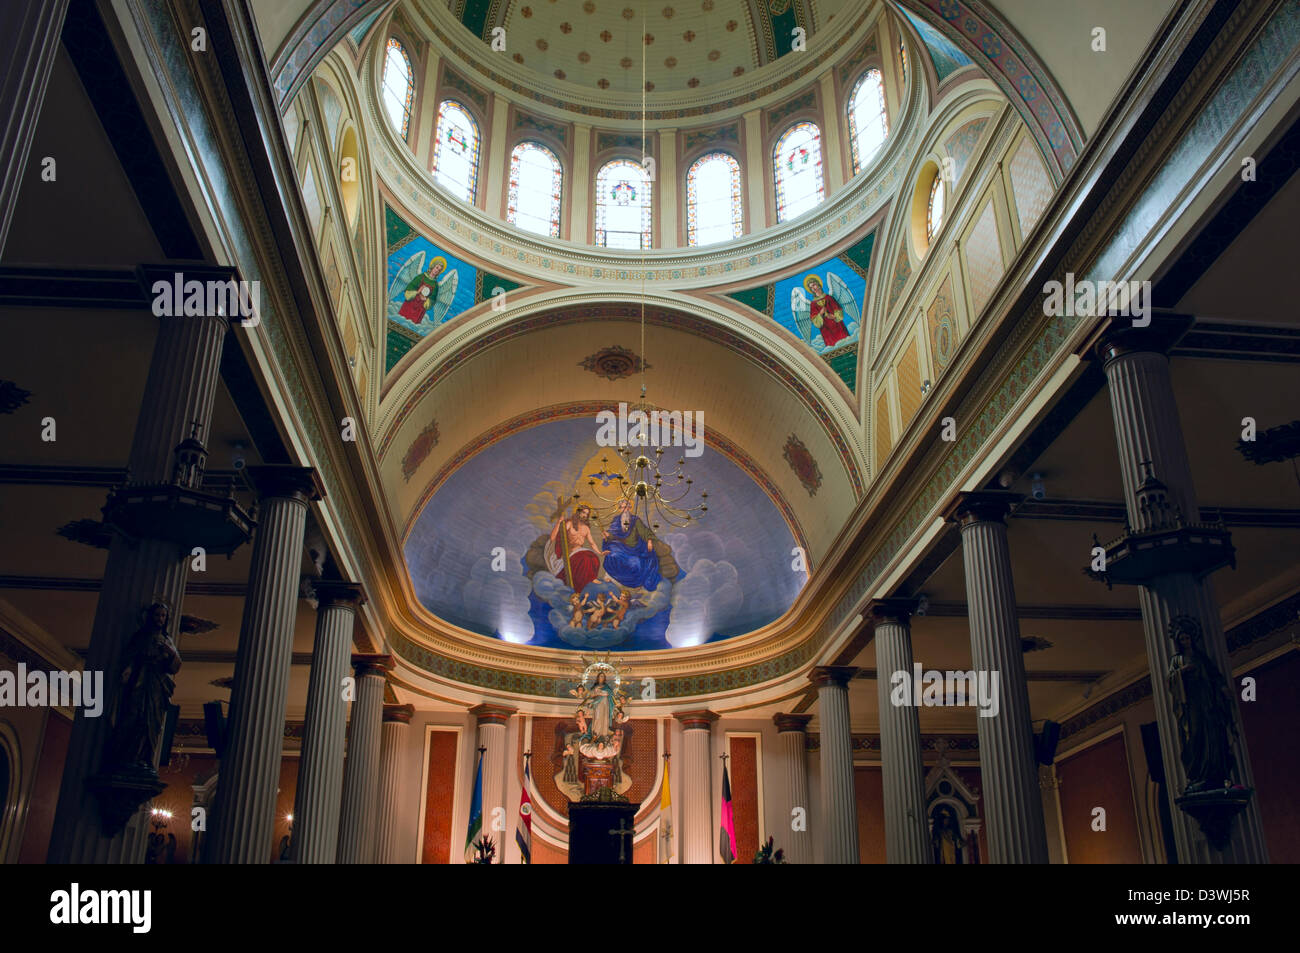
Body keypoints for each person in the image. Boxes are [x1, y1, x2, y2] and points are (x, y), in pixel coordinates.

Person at [804, 275, 850, 347]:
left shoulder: (829, 298)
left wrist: (834, 317)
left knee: (845, 342)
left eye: (814, 285)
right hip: (826, 330)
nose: (813, 288)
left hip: (838, 326)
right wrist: (821, 313)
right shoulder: (813, 304)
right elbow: (815, 320)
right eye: (811, 287)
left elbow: (838, 309)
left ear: (818, 284)